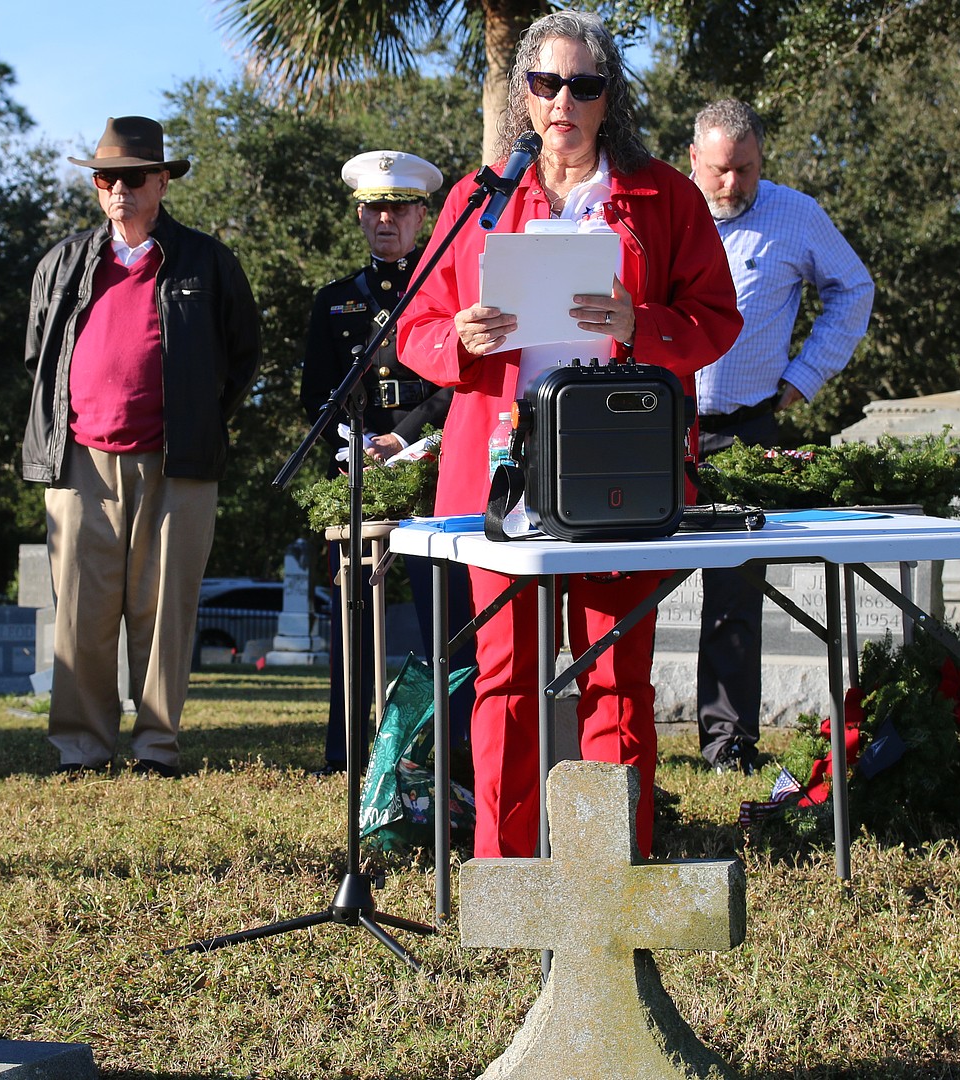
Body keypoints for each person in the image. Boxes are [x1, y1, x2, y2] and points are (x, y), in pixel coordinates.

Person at [397, 10, 742, 858]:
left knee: (615, 679)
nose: (564, 102)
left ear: (606, 97)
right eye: (547, 84)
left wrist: (641, 320)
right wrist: (458, 341)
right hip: (500, 472)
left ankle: (611, 870)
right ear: (524, 94)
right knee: (506, 678)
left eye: (583, 85)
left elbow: (716, 318)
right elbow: (414, 328)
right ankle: (504, 873)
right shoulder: (478, 198)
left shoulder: (664, 195)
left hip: (619, 468)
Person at [19, 116, 260, 778]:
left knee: (165, 609)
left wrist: (197, 419)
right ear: (96, 187)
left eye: (132, 177)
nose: (118, 189)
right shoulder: (64, 262)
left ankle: (157, 746)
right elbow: (40, 353)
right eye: (106, 178)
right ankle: (80, 747)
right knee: (81, 610)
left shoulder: (206, 262)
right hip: (80, 462)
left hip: (176, 463)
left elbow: (243, 357)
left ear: (160, 182)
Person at [689, 99, 875, 774]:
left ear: (762, 159)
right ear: (694, 160)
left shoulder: (796, 215)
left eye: (745, 170)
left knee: (735, 591)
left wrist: (806, 375)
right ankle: (625, 738)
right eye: (719, 171)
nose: (733, 185)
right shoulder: (667, 211)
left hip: (748, 428)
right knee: (632, 584)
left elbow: (854, 289)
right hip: (658, 427)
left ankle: (728, 741)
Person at [298, 149, 471, 772]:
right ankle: (346, 752)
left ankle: (451, 748)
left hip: (433, 474)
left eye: (398, 209)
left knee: (445, 619)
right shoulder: (336, 301)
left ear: (423, 215)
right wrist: (356, 447)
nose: (385, 221)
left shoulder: (447, 295)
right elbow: (315, 393)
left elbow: (459, 385)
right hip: (358, 475)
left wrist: (404, 442)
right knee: (352, 619)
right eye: (373, 209)